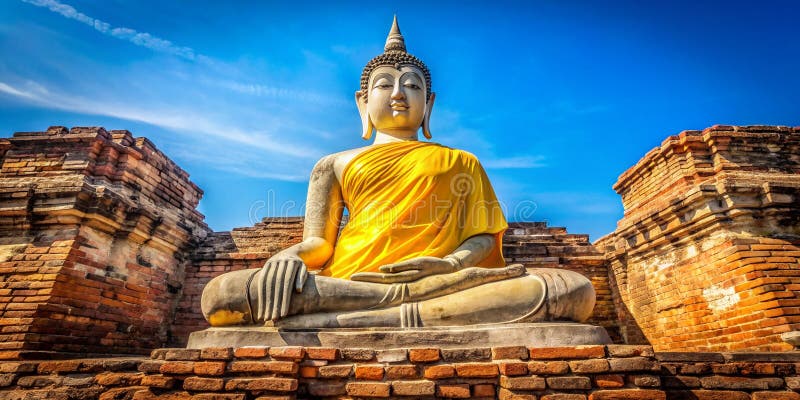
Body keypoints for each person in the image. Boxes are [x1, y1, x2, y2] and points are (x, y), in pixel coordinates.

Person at [201, 17, 595, 328]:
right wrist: (289, 257)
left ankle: (368, 319)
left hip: (442, 283)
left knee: (571, 291)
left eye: (412, 86)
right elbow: (319, 244)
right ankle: (405, 316)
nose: (397, 94)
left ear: (430, 104)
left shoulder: (462, 162)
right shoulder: (333, 164)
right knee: (223, 296)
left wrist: (450, 265)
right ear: (362, 102)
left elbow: (482, 240)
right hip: (349, 282)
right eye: (384, 84)